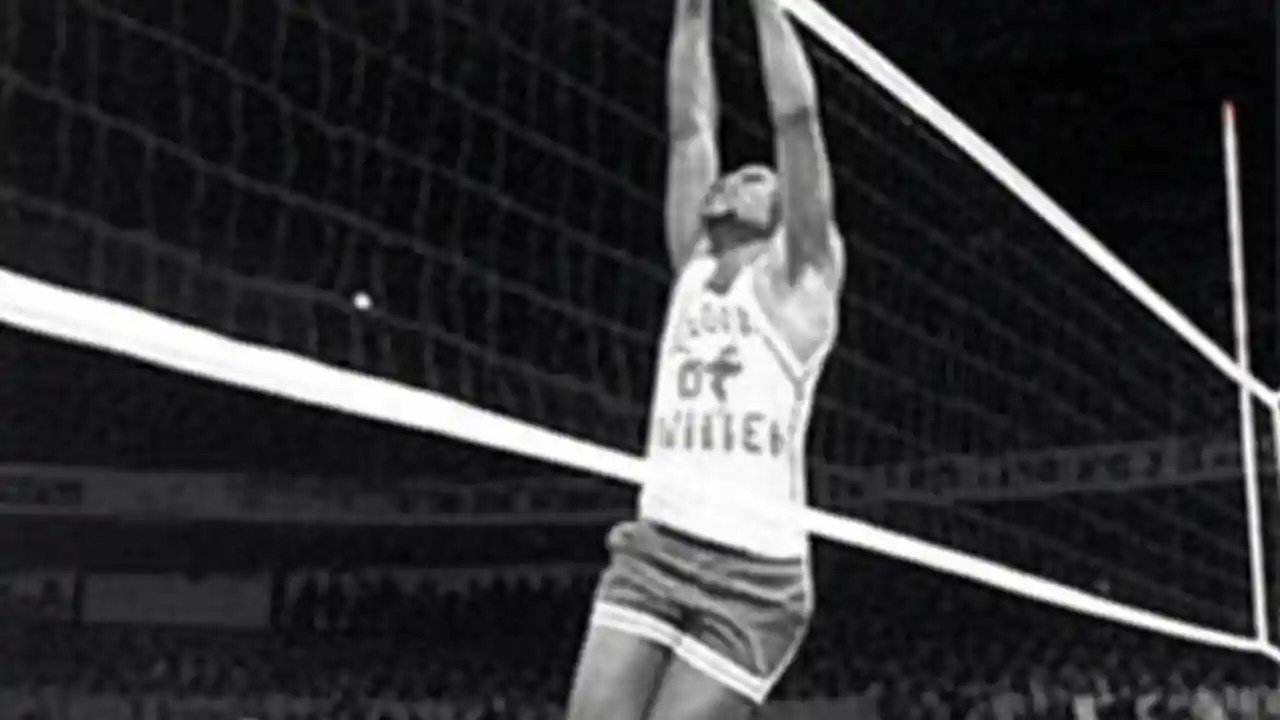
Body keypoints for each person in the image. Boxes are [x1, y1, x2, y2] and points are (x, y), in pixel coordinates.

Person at [565, 0, 843, 717]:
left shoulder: (800, 278)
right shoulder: (693, 263)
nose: (735, 179)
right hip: (656, 548)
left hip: (755, 577)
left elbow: (796, 121)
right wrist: (691, 12)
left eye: (757, 178)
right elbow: (690, 127)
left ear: (788, 209)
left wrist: (767, 8)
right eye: (732, 176)